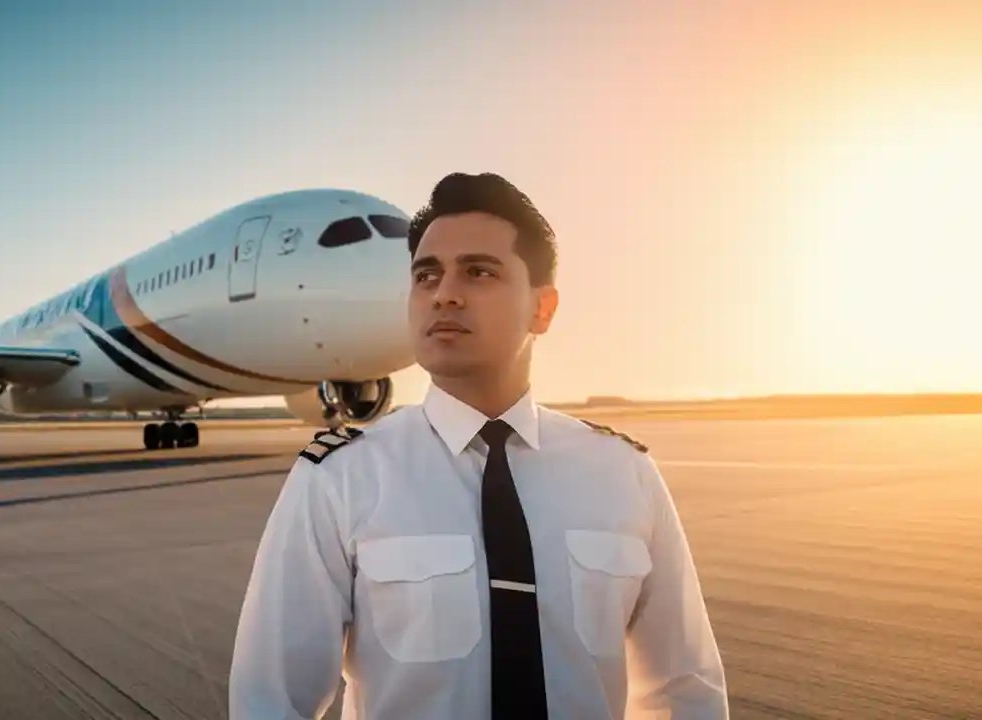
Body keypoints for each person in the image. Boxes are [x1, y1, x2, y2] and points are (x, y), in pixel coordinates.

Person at [228, 172, 729, 719]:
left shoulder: (623, 474)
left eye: (479, 271)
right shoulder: (338, 479)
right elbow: (270, 703)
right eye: (426, 275)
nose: (444, 293)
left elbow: (684, 690)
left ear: (543, 308)